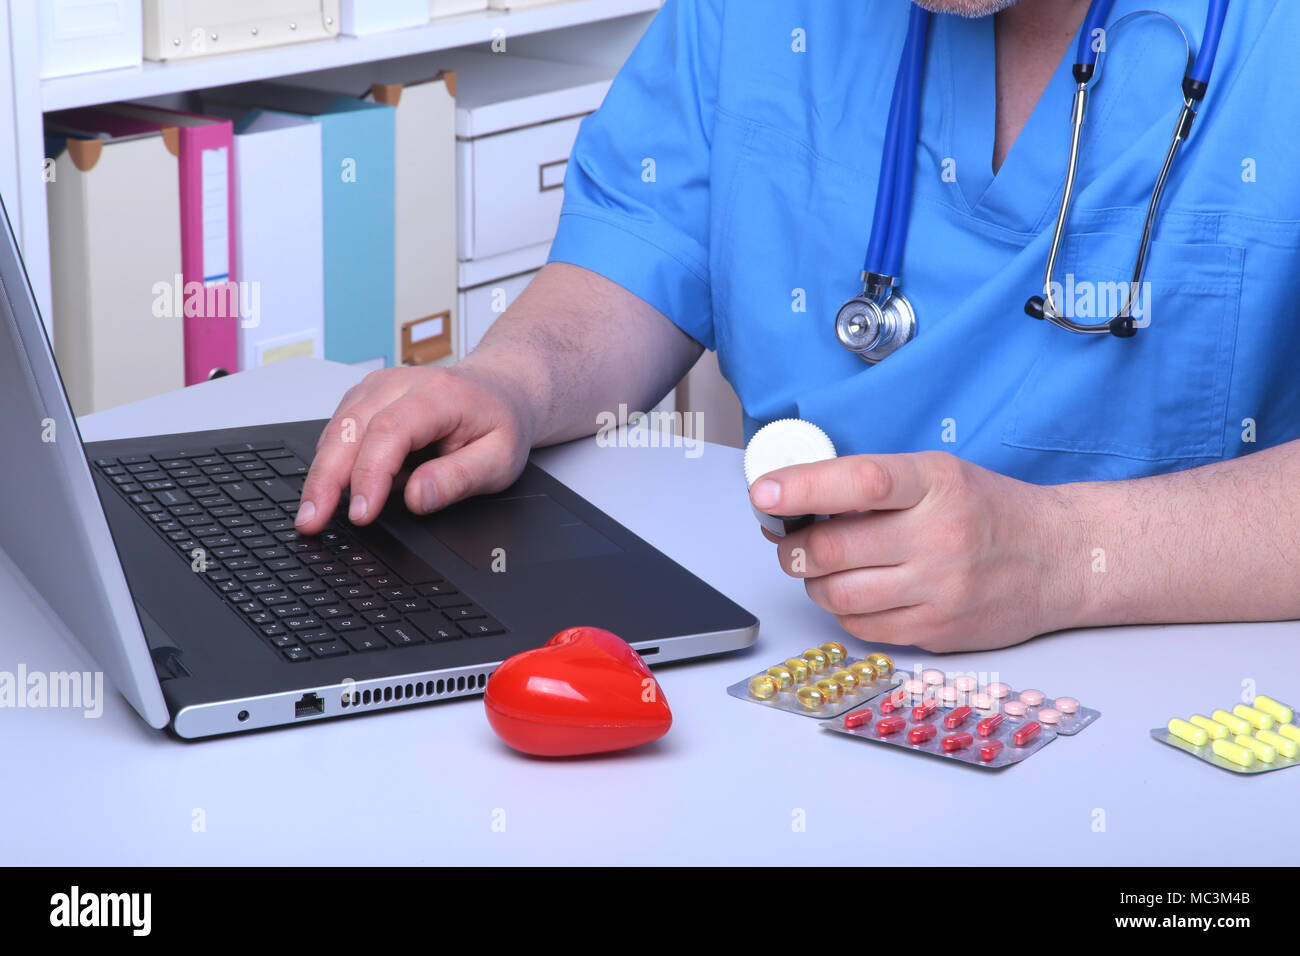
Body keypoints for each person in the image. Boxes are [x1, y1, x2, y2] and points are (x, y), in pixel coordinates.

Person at [296, 0, 1300, 652]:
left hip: (1175, 704)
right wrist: (509, 379)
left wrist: (1060, 552)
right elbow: (645, 242)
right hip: (792, 660)